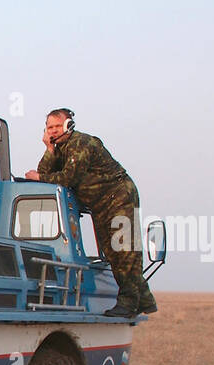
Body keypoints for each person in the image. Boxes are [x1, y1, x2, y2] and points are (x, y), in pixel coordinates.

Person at [24, 108, 156, 317]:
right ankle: (145, 300)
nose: (54, 131)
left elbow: (66, 179)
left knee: (124, 251)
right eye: (50, 128)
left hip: (118, 197)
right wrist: (49, 149)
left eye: (58, 126)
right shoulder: (60, 149)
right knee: (113, 252)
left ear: (69, 125)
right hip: (101, 204)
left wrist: (39, 177)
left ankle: (129, 304)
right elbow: (46, 174)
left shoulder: (80, 143)